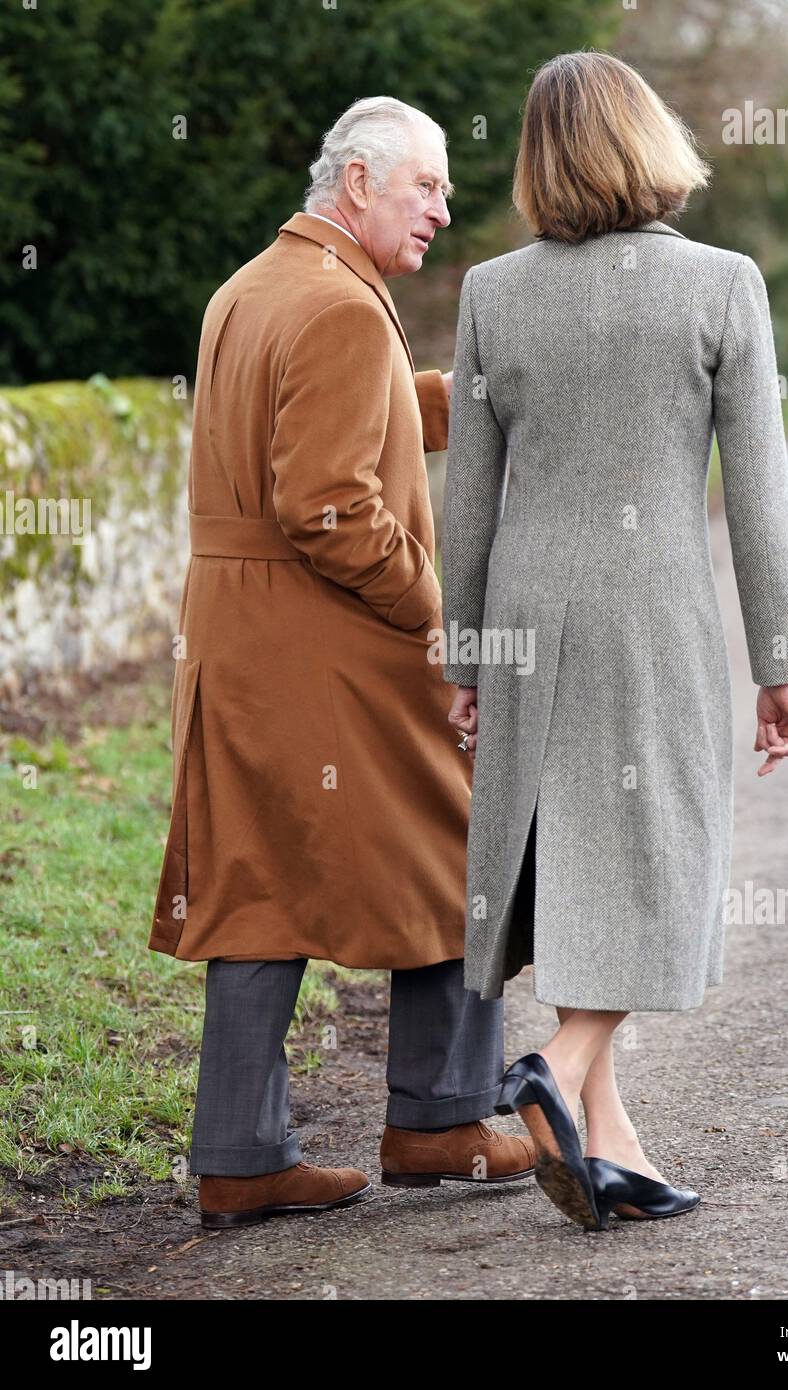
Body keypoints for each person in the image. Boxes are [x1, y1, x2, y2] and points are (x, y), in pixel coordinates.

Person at [149, 95, 534, 1229]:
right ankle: (441, 1116)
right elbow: (323, 503)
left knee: (257, 879)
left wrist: (463, 401)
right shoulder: (338, 308)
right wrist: (440, 613)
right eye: (425, 186)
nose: (443, 207)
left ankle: (239, 1155)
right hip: (324, 642)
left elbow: (319, 426)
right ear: (357, 182)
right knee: (460, 840)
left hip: (240, 633)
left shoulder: (256, 285)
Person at [441, 51, 788, 1231]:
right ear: (648, 142)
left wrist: (464, 660)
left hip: (527, 612)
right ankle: (557, 1057)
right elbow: (757, 495)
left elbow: (468, 499)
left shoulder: (493, 292)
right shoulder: (721, 284)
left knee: (583, 867)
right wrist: (778, 663)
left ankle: (613, 1144)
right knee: (656, 858)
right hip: (652, 611)